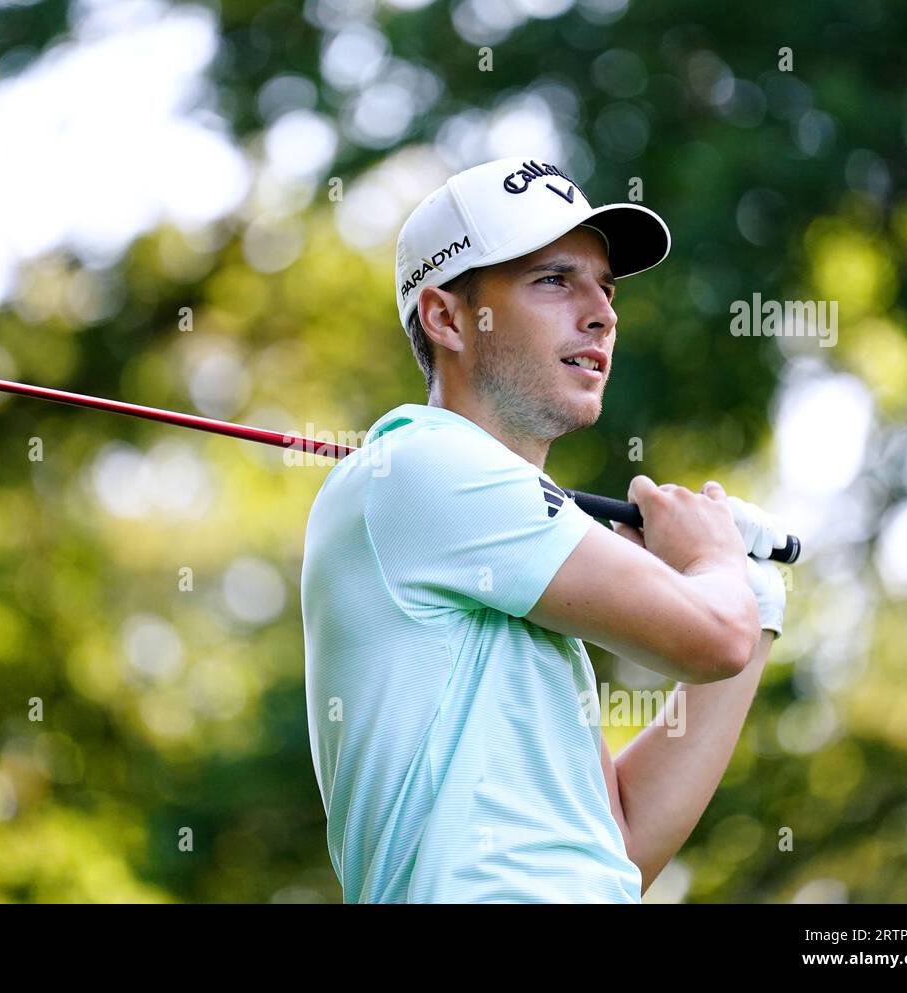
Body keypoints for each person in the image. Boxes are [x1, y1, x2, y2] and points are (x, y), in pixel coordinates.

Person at [299, 155, 789, 903]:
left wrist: (752, 598)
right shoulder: (424, 465)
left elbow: (619, 840)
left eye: (606, 287)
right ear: (446, 317)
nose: (602, 312)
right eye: (555, 280)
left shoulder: (506, 546)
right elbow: (710, 636)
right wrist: (713, 562)